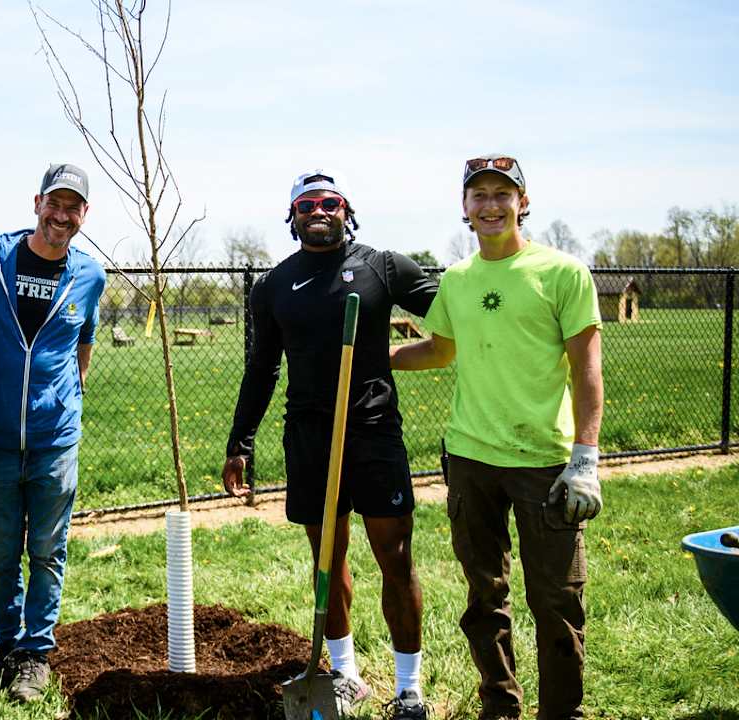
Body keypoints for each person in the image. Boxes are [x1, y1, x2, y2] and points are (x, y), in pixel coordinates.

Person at [391, 155, 603, 720]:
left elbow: (587, 368)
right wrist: (378, 358)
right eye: (478, 195)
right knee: (484, 595)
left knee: (556, 600)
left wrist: (586, 456)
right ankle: (499, 704)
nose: (490, 205)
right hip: (469, 459)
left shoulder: (562, 273)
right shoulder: (457, 280)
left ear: (522, 203)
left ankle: (562, 712)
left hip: (545, 463)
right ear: (464, 207)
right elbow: (440, 349)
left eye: (502, 194)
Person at [222, 171, 436, 719]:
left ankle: (408, 687)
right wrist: (240, 440)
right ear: (292, 216)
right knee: (327, 559)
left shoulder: (383, 267)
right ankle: (344, 673)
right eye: (307, 203)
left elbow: (454, 310)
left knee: (396, 556)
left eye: (330, 201)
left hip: (374, 433)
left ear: (347, 210)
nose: (319, 210)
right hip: (311, 437)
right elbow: (262, 367)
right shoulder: (273, 286)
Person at [0, 163, 106, 703]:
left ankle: (36, 653)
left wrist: (67, 398)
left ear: (84, 214)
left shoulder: (89, 275)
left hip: (55, 441)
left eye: (72, 206)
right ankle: (6, 650)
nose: (61, 215)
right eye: (53, 203)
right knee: (4, 552)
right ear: (36, 203)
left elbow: (85, 341)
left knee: (49, 550)